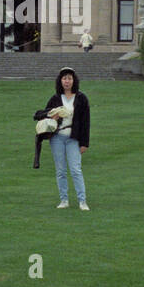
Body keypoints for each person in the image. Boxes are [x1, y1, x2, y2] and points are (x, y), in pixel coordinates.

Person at [34, 66, 90, 210]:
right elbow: (39, 114)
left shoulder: (81, 98)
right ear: (60, 81)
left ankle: (82, 201)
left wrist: (84, 143)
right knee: (60, 171)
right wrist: (51, 115)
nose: (67, 81)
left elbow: (86, 122)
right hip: (57, 138)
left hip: (73, 138)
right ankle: (64, 200)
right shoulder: (56, 98)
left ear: (74, 80)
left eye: (69, 78)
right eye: (64, 78)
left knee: (76, 169)